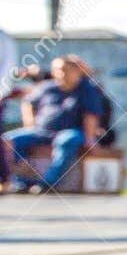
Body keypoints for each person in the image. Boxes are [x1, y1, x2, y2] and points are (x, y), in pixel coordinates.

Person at [4, 57, 107, 191]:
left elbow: (91, 115)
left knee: (65, 140)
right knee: (8, 140)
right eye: (58, 70)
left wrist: (90, 139)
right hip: (42, 131)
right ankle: (20, 182)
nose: (62, 73)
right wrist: (30, 124)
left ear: (77, 71)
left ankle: (47, 183)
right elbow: (28, 102)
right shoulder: (47, 87)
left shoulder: (87, 89)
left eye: (66, 70)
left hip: (72, 131)